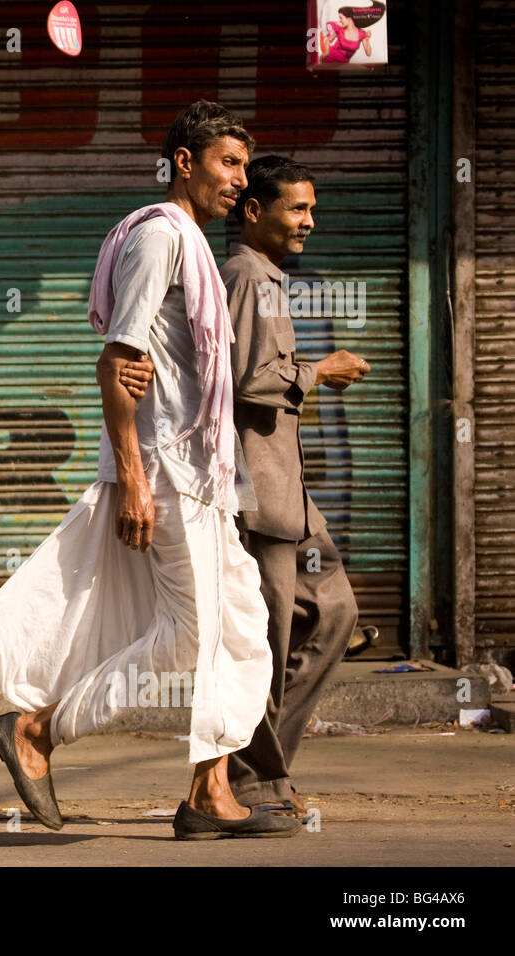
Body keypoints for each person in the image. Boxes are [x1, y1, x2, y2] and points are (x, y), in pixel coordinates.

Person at [0, 101, 301, 839]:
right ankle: (39, 733)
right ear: (186, 161)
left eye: (246, 166)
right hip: (168, 472)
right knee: (189, 634)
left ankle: (209, 790)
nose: (241, 182)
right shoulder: (159, 237)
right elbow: (119, 361)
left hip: (206, 476)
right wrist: (135, 480)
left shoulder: (194, 245)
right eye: (228, 163)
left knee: (241, 623)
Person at [220, 154, 367, 820]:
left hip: (289, 493)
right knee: (270, 643)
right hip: (259, 496)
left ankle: (263, 769)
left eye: (312, 207)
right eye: (297, 208)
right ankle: (253, 783)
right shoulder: (248, 277)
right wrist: (320, 370)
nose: (310, 220)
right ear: (255, 210)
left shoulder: (268, 277)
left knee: (334, 614)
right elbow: (250, 380)